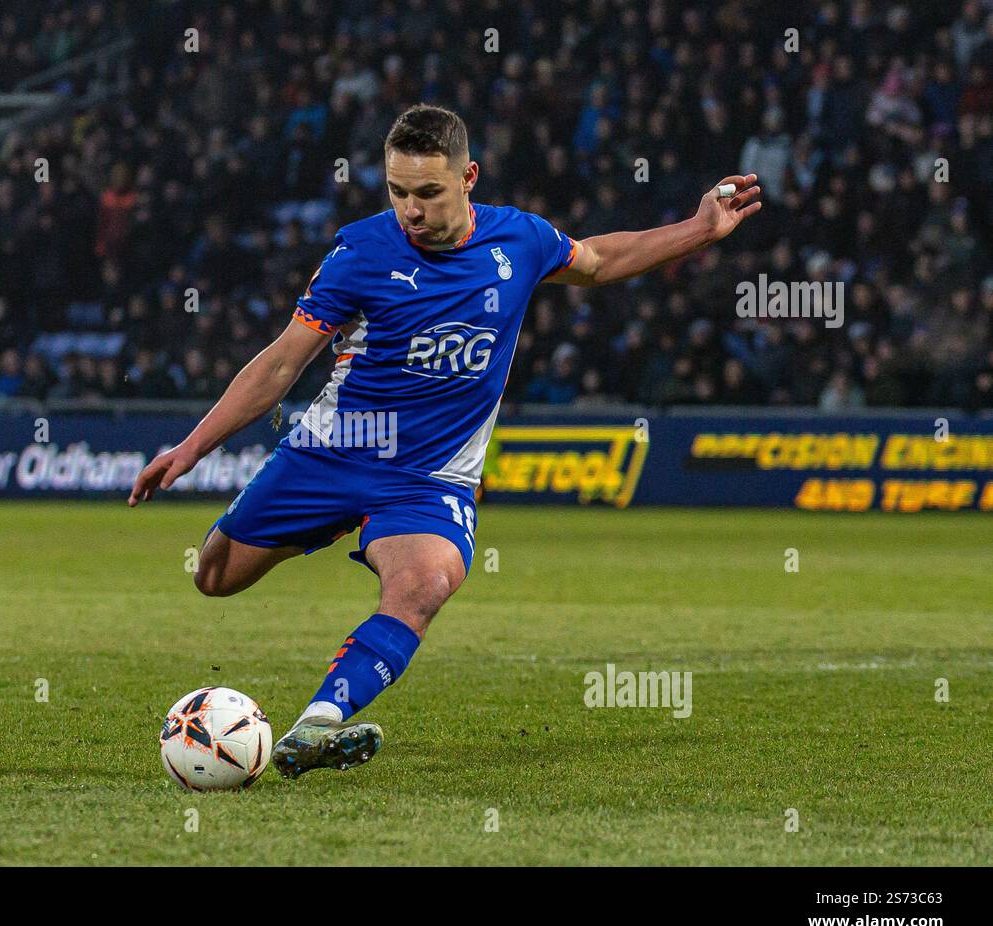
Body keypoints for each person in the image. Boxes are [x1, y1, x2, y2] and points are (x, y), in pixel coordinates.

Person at [128, 104, 762, 779]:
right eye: (397, 192)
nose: (411, 210)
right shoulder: (360, 251)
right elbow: (284, 363)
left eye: (427, 192)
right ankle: (325, 532)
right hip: (331, 453)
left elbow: (601, 260)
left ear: (468, 179)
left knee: (423, 585)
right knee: (214, 577)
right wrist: (193, 447)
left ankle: (317, 723)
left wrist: (699, 228)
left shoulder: (520, 241)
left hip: (429, 481)